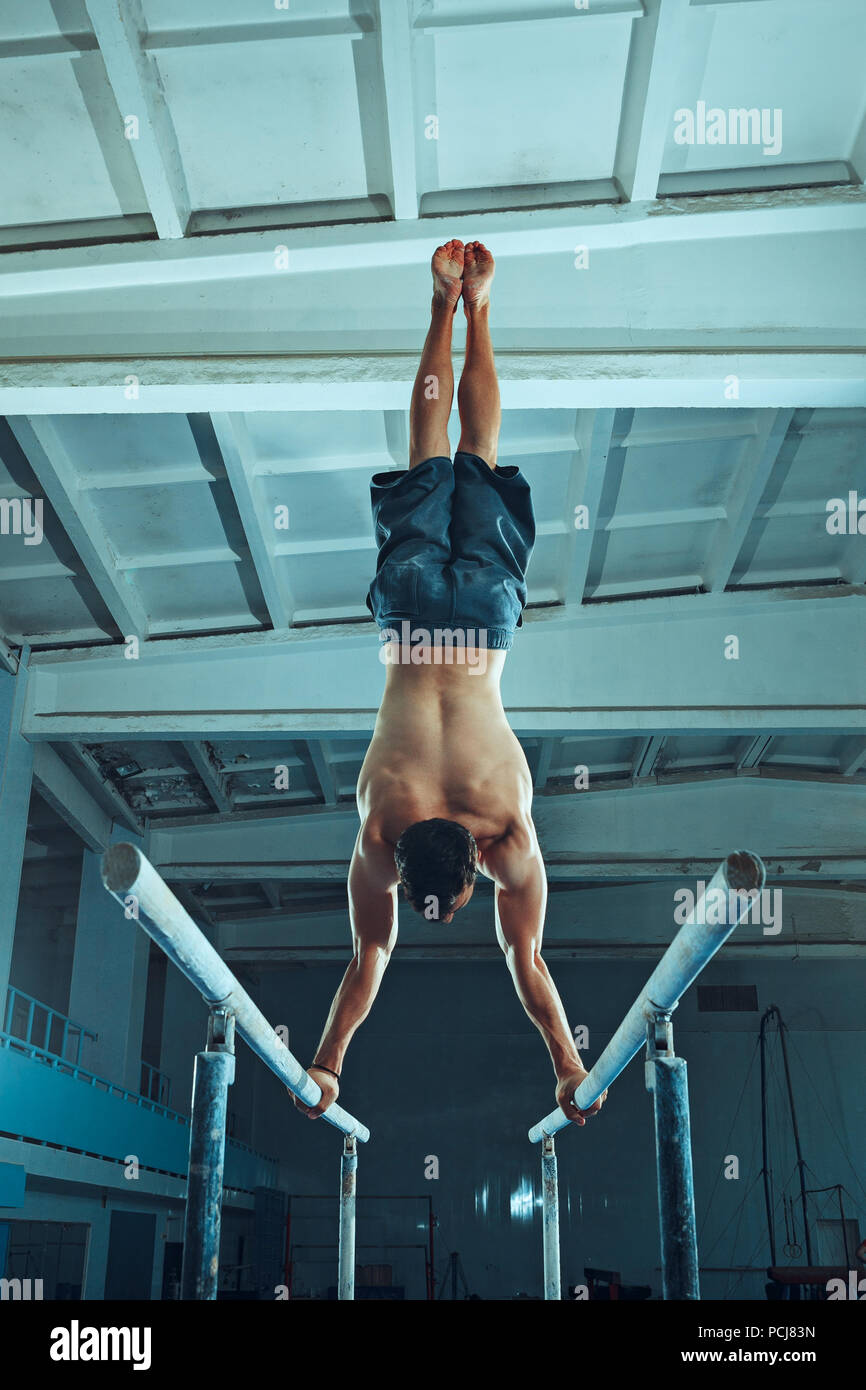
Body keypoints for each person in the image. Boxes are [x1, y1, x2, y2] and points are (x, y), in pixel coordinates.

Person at [293, 240, 606, 1129]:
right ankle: (444, 305)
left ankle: (481, 310)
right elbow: (369, 957)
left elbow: (526, 964)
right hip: (410, 614)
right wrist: (325, 1065)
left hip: (484, 617)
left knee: (481, 450)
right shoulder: (380, 828)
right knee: (432, 451)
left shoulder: (503, 832)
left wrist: (570, 1064)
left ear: (469, 859)